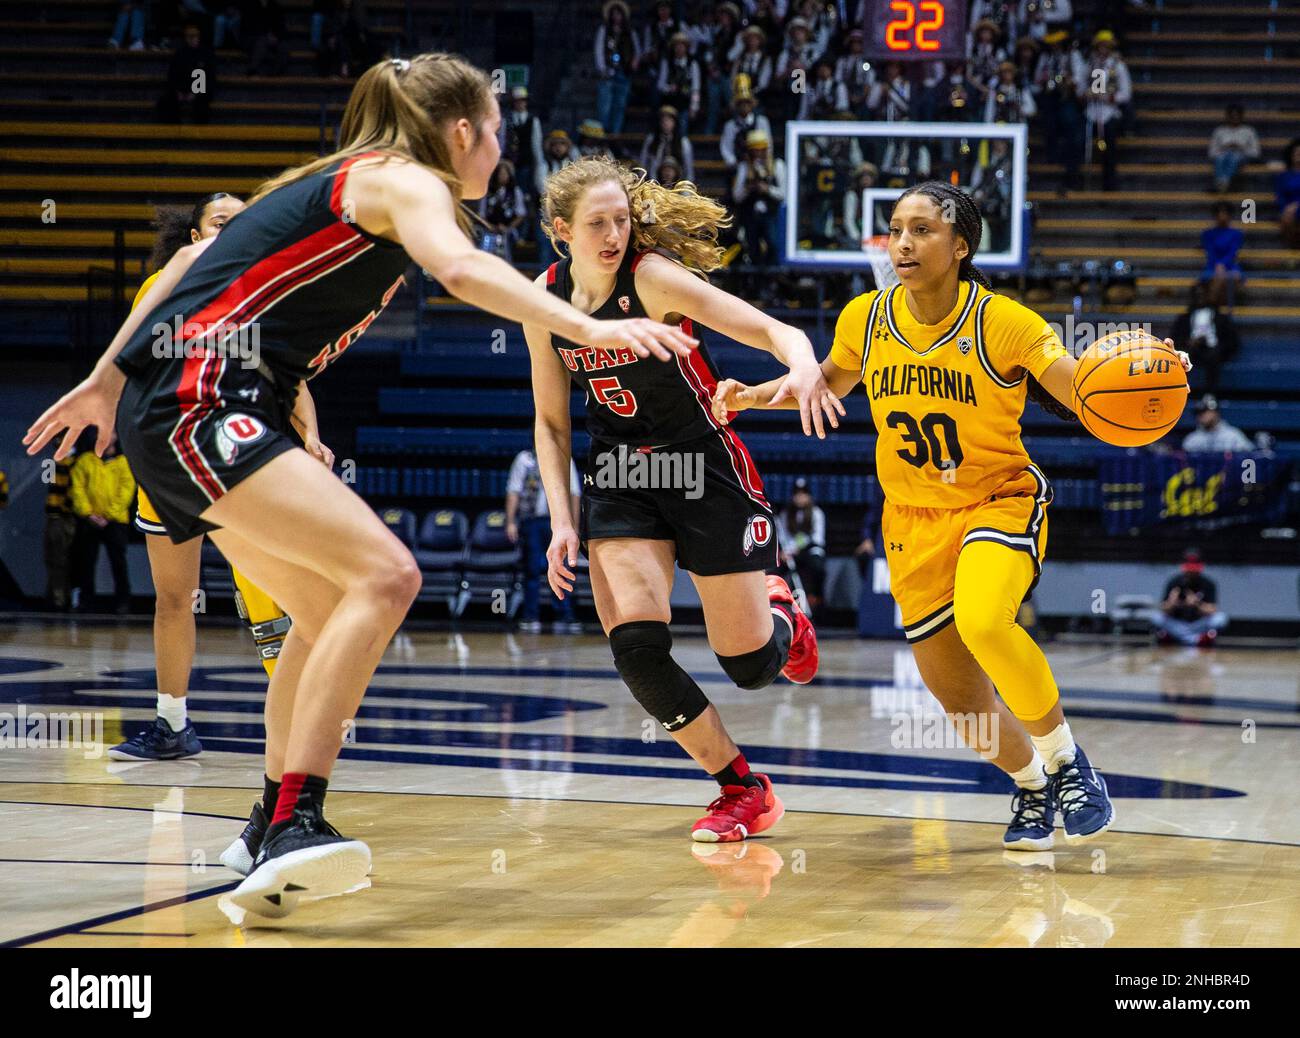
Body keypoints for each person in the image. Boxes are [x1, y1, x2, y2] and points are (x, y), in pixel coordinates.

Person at [25, 53, 696, 918]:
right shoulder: (402, 178)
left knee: (323, 608)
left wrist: (108, 378)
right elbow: (459, 273)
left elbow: (196, 275)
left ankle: (269, 819)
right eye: (496, 132)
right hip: (203, 403)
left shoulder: (345, 180)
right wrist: (591, 327)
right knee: (389, 575)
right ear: (462, 133)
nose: (501, 150)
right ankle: (300, 818)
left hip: (201, 406)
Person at [713, 180, 1193, 851]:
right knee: (962, 705)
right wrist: (749, 395)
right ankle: (1031, 786)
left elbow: (1081, 388)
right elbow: (822, 381)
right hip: (913, 522)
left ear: (960, 245)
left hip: (998, 500)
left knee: (984, 621)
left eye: (921, 230)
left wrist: (1139, 377)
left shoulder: (1006, 323)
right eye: (895, 230)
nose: (902, 243)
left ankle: (1067, 763)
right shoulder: (866, 318)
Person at [527, 154, 836, 843]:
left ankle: (783, 615)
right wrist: (560, 519)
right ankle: (742, 789)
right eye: (597, 223)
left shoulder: (651, 277)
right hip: (621, 477)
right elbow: (551, 423)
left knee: (750, 668)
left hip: (703, 467)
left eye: (621, 219)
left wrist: (805, 367)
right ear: (561, 232)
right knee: (636, 646)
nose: (613, 234)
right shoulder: (541, 302)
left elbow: (768, 330)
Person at [106, 193, 335, 781]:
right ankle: (172, 722)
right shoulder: (163, 283)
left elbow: (292, 376)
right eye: (220, 221)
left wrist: (311, 437)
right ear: (194, 234)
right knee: (173, 597)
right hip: (172, 455)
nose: (233, 230)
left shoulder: (266, 290)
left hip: (241, 456)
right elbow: (135, 365)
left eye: (242, 221)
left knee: (269, 605)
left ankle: (295, 735)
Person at [505, 447, 582, 633]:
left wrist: (574, 526)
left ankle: (565, 614)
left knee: (562, 568)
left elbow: (574, 493)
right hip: (531, 521)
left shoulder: (563, 457)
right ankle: (530, 615)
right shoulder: (524, 459)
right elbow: (513, 490)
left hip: (557, 523)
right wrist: (510, 521)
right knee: (531, 569)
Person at [70, 434, 135, 614]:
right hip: (90, 521)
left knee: (118, 562)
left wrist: (108, 515)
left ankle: (123, 601)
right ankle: (86, 601)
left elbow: (127, 491)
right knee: (87, 562)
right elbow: (77, 488)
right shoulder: (85, 461)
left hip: (115, 522)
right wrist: (88, 513)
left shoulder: (123, 463)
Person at [1076, 29, 1130, 191]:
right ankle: (1076, 179)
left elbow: (1126, 93)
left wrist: (1108, 97)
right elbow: (1080, 87)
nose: (1103, 50)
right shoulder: (1090, 65)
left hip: (1109, 112)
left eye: (1107, 47)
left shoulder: (1117, 66)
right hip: (1091, 112)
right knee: (1077, 139)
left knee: (1109, 144)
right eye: (1101, 46)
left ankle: (1110, 182)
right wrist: (1086, 93)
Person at [1168, 282, 1240, 394]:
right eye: (1197, 294)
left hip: (1213, 350)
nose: (1200, 297)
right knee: (1183, 358)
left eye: (1203, 294)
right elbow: (1174, 338)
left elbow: (1232, 340)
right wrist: (1188, 342)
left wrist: (1217, 346)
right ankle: (1179, 391)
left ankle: (1209, 396)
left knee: (1213, 356)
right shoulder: (1184, 319)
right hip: (1191, 350)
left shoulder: (1220, 317)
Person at [1156, 550, 1228, 648]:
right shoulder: (1174, 582)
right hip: (1178, 624)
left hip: (1198, 624)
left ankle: (1181, 639)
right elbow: (1163, 609)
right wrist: (1172, 603)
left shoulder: (1208, 583)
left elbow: (1213, 610)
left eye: (1194, 570)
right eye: (1189, 570)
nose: (1191, 573)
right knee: (1156, 617)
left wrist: (1197, 604)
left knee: (1221, 618)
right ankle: (1195, 640)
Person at [776, 478, 826, 616]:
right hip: (790, 554)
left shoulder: (816, 513)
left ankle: (816, 599)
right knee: (775, 569)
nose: (800, 497)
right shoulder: (785, 515)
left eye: (803, 494)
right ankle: (779, 603)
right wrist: (786, 552)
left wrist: (797, 548)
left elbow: (817, 538)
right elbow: (783, 537)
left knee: (817, 566)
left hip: (811, 550)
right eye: (797, 494)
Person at [595, 0, 639, 137]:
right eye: (613, 14)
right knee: (604, 106)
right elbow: (598, 50)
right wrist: (602, 68)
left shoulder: (629, 32)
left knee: (619, 106)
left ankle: (615, 134)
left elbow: (637, 50)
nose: (616, 17)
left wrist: (634, 62)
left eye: (619, 14)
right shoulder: (604, 30)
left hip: (624, 72)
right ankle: (603, 133)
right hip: (608, 72)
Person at [157, 22, 214, 124]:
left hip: (199, 90)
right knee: (165, 102)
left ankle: (200, 133)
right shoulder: (180, 54)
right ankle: (173, 131)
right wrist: (178, 91)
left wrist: (195, 93)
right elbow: (173, 75)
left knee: (202, 103)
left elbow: (208, 77)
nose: (192, 39)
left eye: (194, 36)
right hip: (182, 89)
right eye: (189, 36)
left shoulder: (206, 54)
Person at [44, 452, 77, 611]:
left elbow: (74, 491)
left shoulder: (75, 461)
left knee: (63, 559)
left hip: (68, 516)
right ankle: (57, 597)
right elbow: (48, 486)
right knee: (54, 558)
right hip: (55, 516)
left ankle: (63, 599)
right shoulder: (51, 461)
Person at [1199, 201, 1245, 308]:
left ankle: (1213, 305)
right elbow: (1210, 252)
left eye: (1225, 213)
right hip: (1212, 265)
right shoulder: (1208, 234)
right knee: (1218, 277)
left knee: (1232, 277)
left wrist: (1223, 264)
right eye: (1219, 213)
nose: (1222, 216)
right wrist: (1218, 265)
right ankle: (1217, 307)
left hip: (1230, 265)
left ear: (1230, 215)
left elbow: (1233, 252)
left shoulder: (1237, 234)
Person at [1207, 104, 1260, 194]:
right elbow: (1211, 153)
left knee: (1234, 157)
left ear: (1241, 117)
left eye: (1237, 116)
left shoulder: (1249, 131)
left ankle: (1222, 183)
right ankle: (1223, 183)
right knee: (1221, 158)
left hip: (1242, 156)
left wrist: (1241, 148)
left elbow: (1256, 153)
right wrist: (1224, 148)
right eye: (1232, 116)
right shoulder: (1219, 131)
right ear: (1227, 117)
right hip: (1222, 156)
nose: (1234, 118)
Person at [638, 105, 695, 184]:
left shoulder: (683, 142)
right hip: (653, 184)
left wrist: (685, 191)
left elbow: (689, 172)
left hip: (677, 186)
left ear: (675, 123)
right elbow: (642, 163)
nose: (666, 123)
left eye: (669, 120)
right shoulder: (651, 140)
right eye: (663, 121)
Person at [1181, 394, 1252, 453]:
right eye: (1198, 412)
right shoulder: (1192, 439)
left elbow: (1249, 457)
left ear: (1215, 412)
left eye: (1204, 411)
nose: (1201, 416)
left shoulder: (1233, 436)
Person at [1276, 138, 1300, 249]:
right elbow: (1280, 196)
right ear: (1291, 155)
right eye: (1297, 153)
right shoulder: (1283, 176)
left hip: (1296, 207)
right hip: (1288, 210)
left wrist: (1297, 205)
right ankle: (1292, 250)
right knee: (1286, 218)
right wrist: (1285, 209)